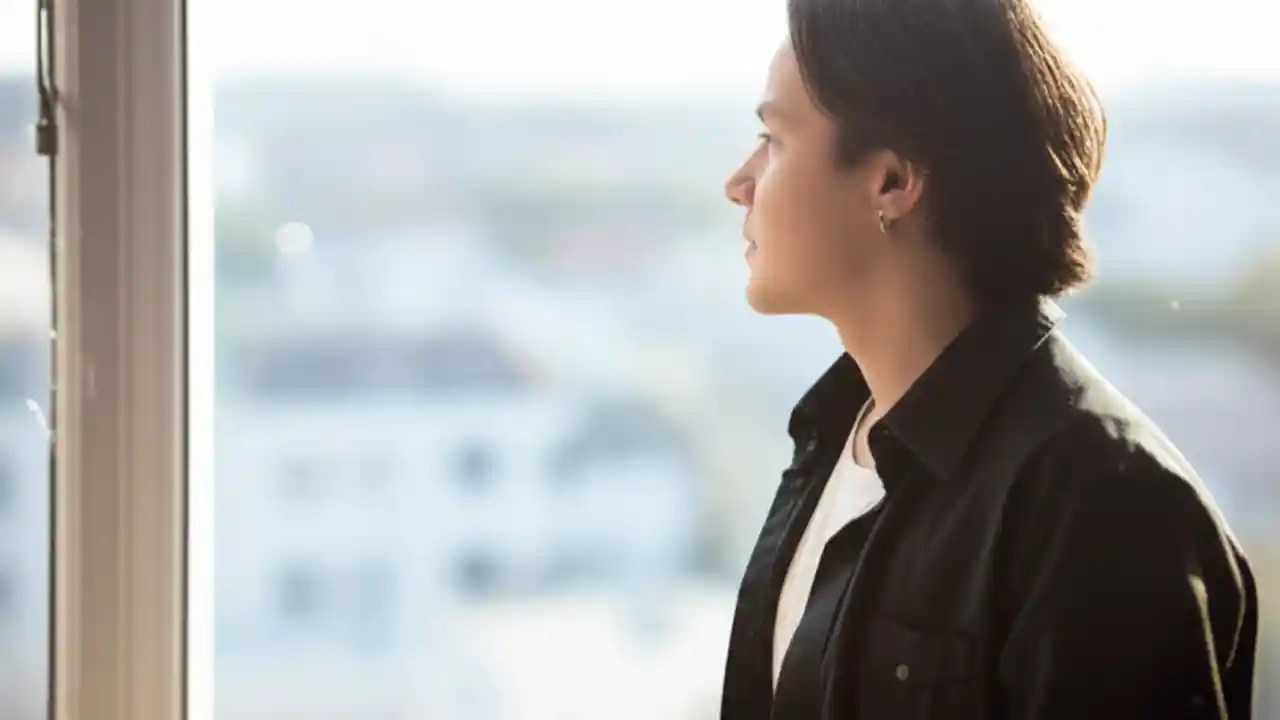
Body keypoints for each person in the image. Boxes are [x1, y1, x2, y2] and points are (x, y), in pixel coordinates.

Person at [719, 1, 1258, 717]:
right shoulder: (835, 440)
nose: (738, 181)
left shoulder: (1102, 503)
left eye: (773, 140)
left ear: (892, 183)